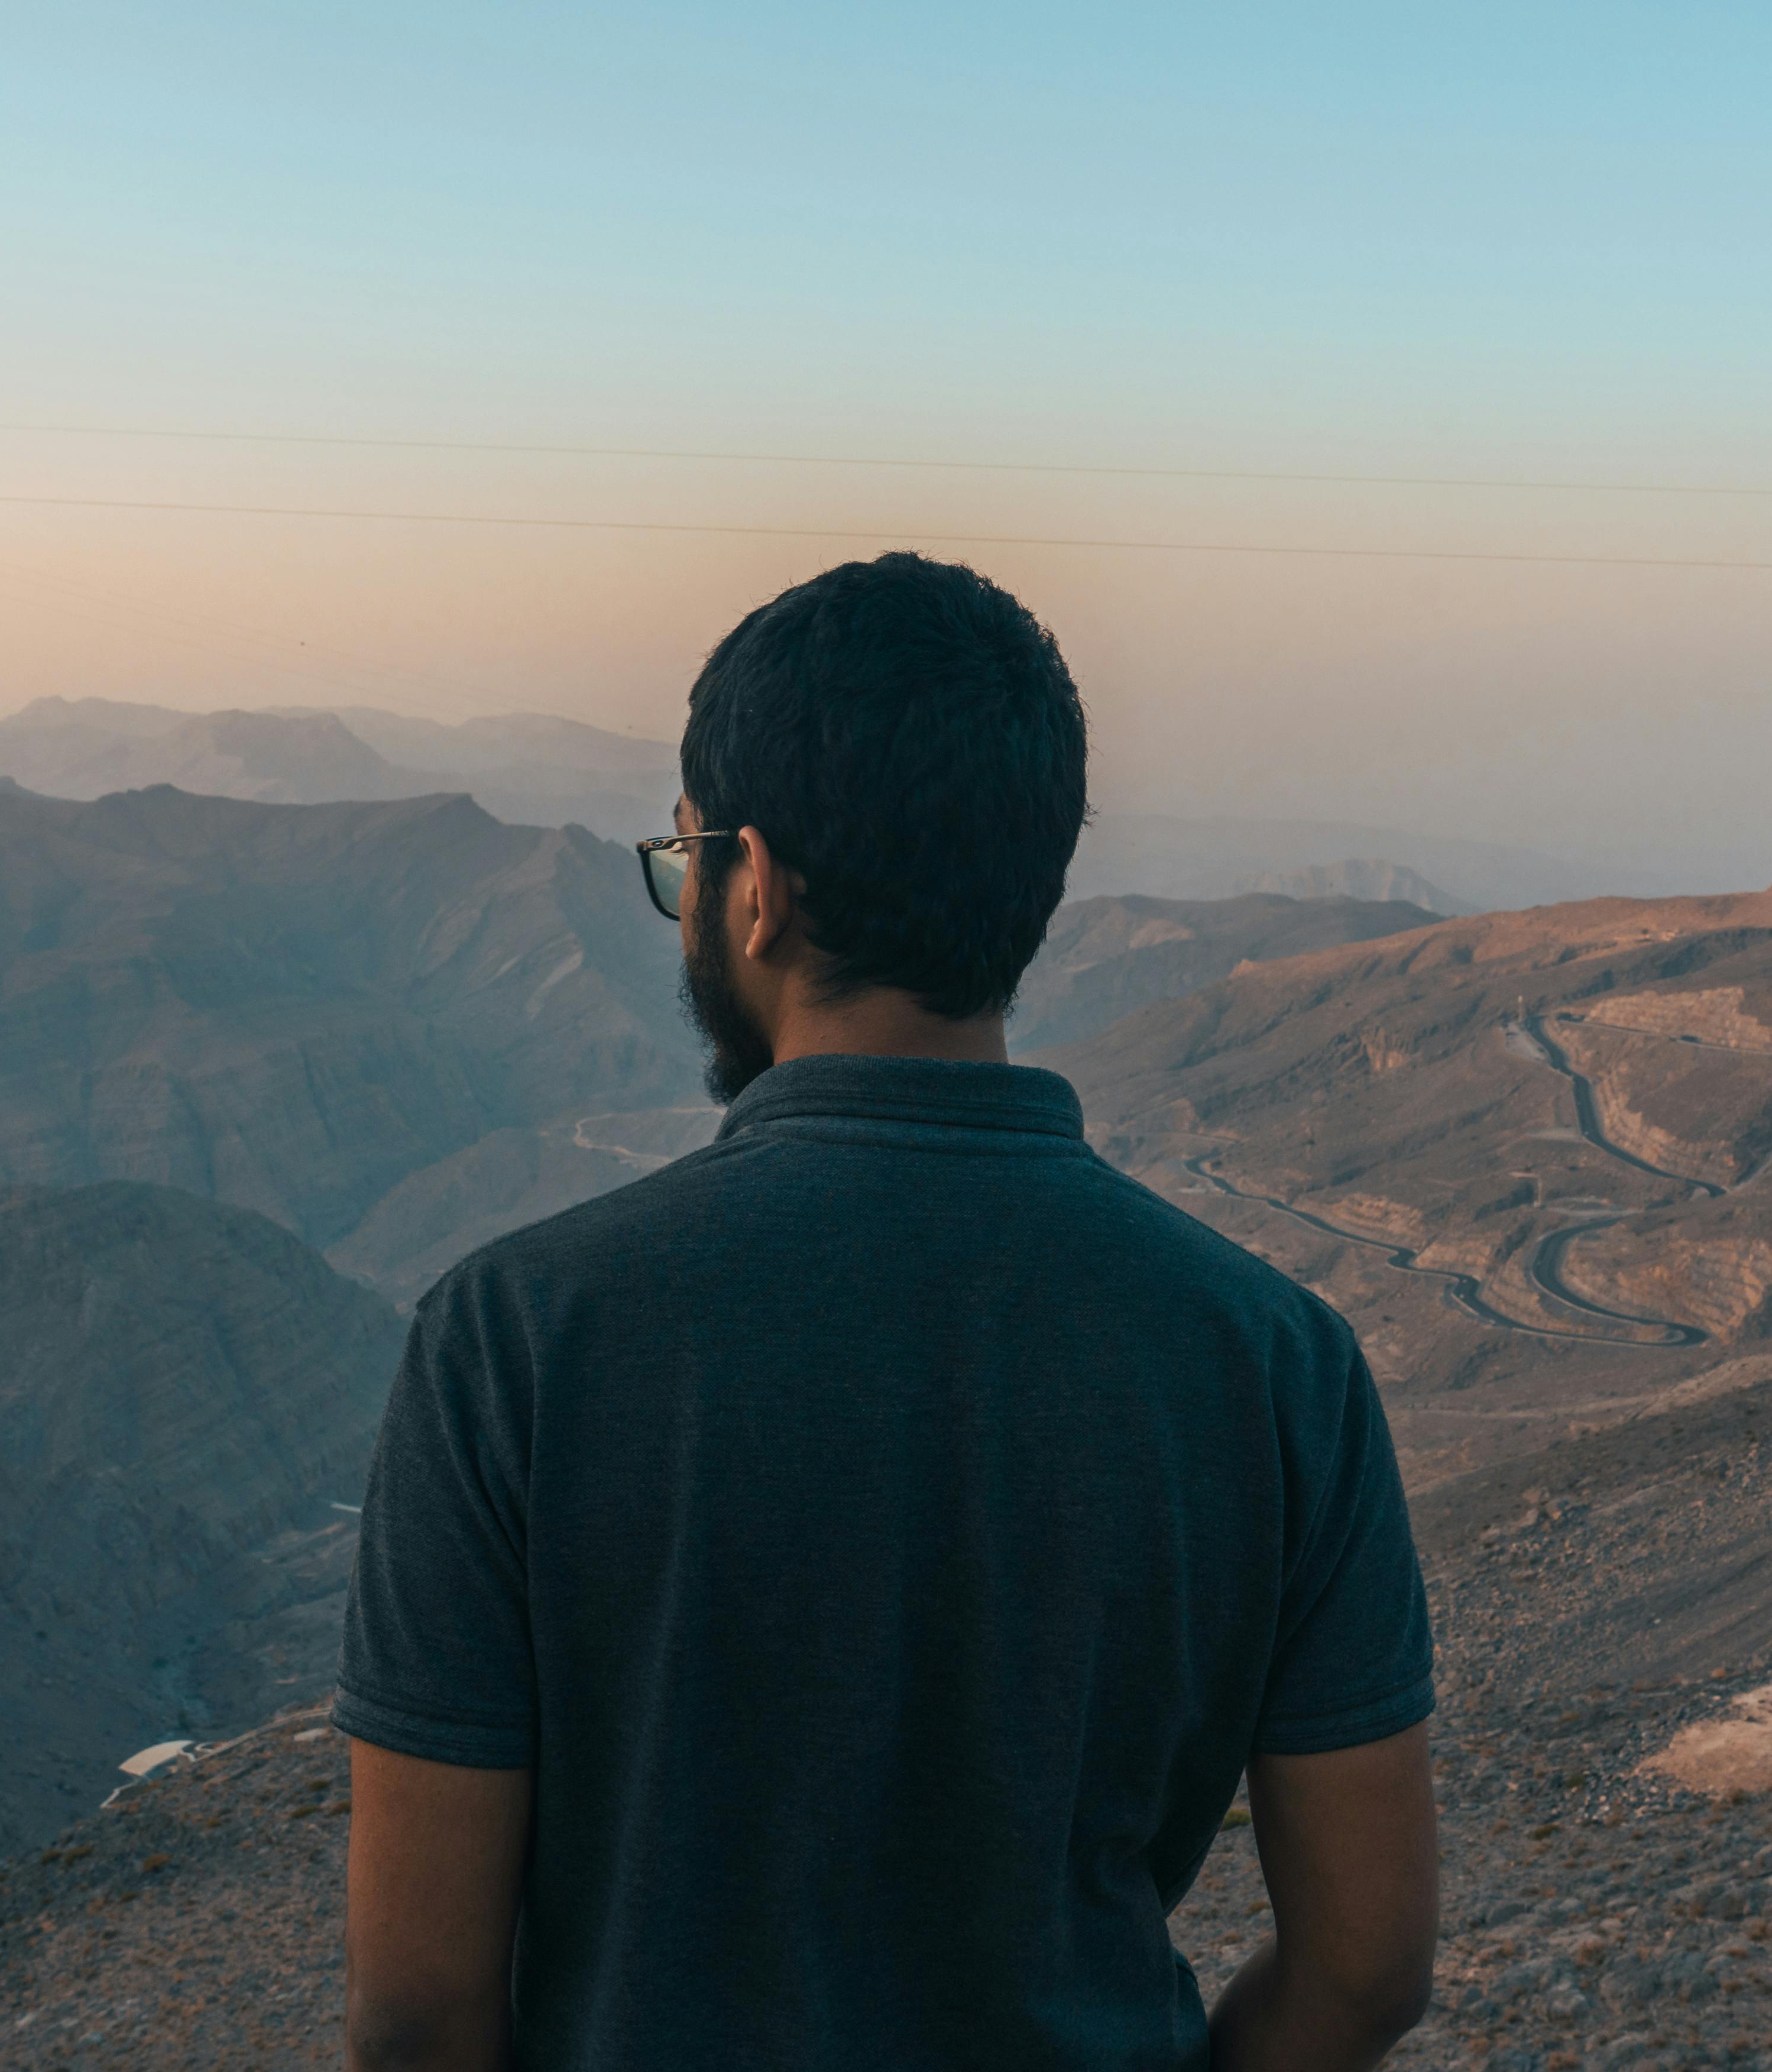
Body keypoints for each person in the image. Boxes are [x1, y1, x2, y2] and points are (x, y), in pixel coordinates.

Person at [336, 553, 1438, 2071]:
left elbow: (417, 2007)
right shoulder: (1275, 1361)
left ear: (760, 887)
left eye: (685, 861)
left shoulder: (513, 1340)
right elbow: (1368, 1967)